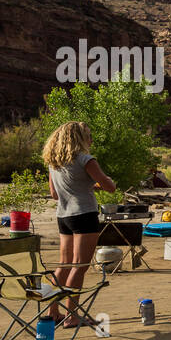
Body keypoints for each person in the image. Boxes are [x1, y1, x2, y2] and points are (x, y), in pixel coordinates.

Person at [43, 121, 116, 327]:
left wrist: (85, 186)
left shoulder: (54, 162)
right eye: (88, 136)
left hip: (64, 216)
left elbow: (54, 194)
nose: (91, 140)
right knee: (80, 266)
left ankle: (53, 312)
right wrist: (107, 182)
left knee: (64, 265)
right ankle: (72, 315)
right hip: (84, 214)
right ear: (79, 138)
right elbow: (109, 186)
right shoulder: (86, 159)